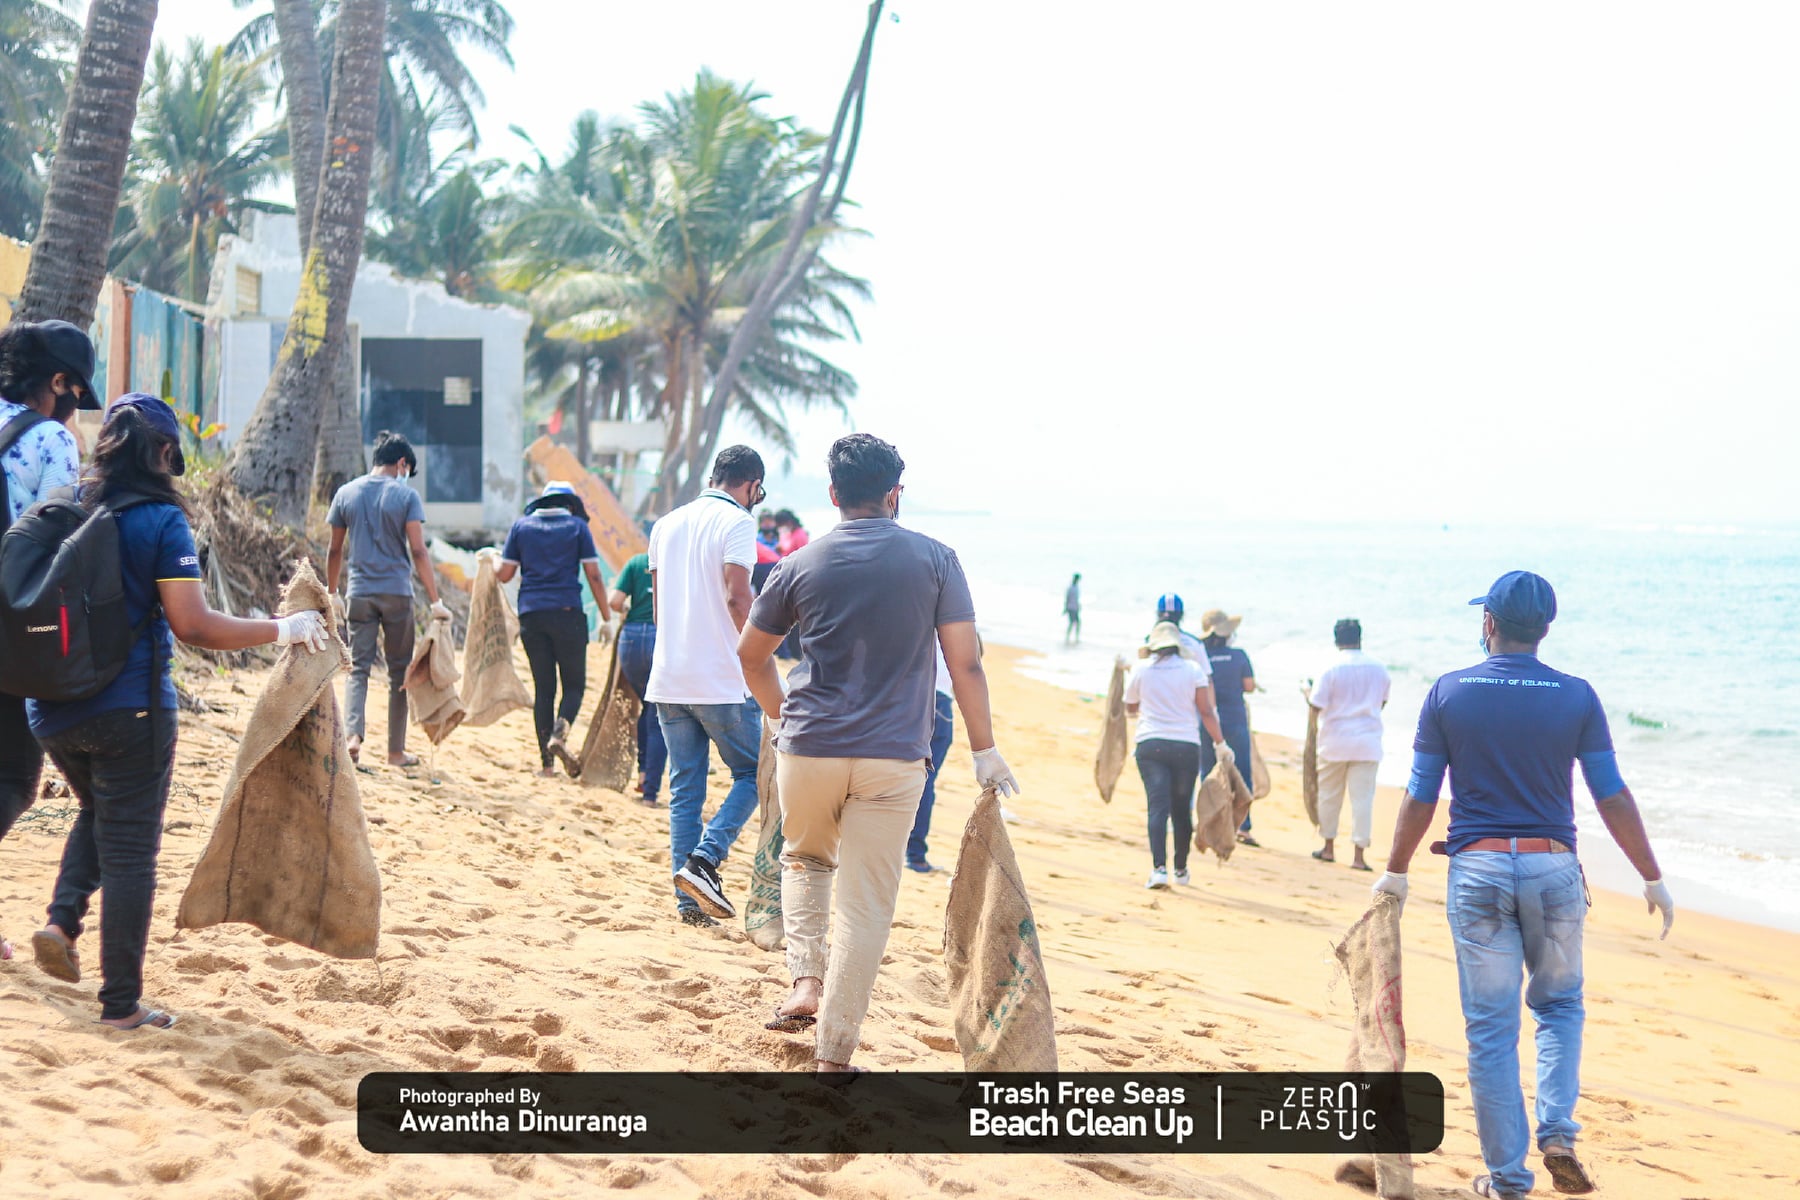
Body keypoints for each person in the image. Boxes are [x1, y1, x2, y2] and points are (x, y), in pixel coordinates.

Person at [29, 394, 329, 1028]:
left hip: (51, 709)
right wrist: (283, 629)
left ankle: (61, 920)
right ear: (164, 453)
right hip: (129, 712)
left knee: (98, 808)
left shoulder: (70, 504)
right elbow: (193, 625)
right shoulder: (162, 523)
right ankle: (121, 1007)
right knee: (132, 850)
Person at [1372, 571, 1674, 1200]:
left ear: (1489, 624)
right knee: (1560, 1007)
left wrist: (1396, 870)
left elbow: (1422, 794)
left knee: (1490, 1030)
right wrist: (1651, 874)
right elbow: (1610, 794)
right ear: (1546, 629)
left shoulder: (1449, 692)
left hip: (1478, 869)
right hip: (1554, 868)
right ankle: (1558, 1131)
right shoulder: (1577, 696)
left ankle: (1508, 1179)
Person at [739, 433, 1018, 1079]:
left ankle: (805, 980)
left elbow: (752, 658)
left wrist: (786, 721)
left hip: (808, 747)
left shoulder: (798, 565)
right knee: (866, 902)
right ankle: (834, 1055)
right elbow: (965, 661)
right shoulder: (937, 560)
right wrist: (985, 750)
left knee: (805, 860)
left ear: (834, 495)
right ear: (896, 493)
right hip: (895, 756)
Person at [0, 320, 98, 962]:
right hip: (9, 628)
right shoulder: (52, 442)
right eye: (74, 392)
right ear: (57, 382)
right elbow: (65, 549)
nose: (74, 407)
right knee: (13, 776)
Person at [646, 444, 766, 927]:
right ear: (752, 484)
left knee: (685, 790)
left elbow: (658, 607)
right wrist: (760, 653)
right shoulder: (738, 523)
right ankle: (705, 860)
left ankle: (689, 904)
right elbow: (739, 597)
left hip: (669, 675)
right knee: (756, 773)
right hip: (718, 677)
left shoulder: (665, 523)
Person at [325, 431, 450, 767]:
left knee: (358, 670)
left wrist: (332, 591)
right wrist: (436, 601)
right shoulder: (406, 497)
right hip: (397, 594)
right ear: (402, 463)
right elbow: (419, 551)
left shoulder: (346, 493)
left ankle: (353, 737)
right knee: (398, 673)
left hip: (360, 594)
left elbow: (335, 549)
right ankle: (395, 752)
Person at [496, 482, 607, 777]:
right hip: (567, 613)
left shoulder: (521, 527)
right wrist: (606, 616)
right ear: (570, 504)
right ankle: (560, 734)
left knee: (544, 689)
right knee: (573, 686)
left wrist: (490, 561)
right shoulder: (577, 528)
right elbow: (594, 575)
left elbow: (505, 575)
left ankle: (546, 765)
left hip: (532, 615)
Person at [1125, 621, 1232, 888]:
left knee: (1157, 807)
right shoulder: (1193, 669)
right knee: (1182, 810)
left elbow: (1130, 707)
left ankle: (1159, 870)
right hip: (1186, 746)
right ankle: (1182, 870)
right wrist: (1220, 743)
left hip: (1151, 745)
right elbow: (1206, 711)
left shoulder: (1141, 670)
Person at [1307, 618, 1390, 871]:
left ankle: (1329, 847)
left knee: (1330, 795)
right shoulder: (1379, 668)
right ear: (1360, 637)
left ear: (1336, 640)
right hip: (1367, 741)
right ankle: (1358, 856)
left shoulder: (1330, 667)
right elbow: (1381, 703)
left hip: (1334, 740)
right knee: (1362, 799)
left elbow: (1316, 705)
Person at [609, 547, 666, 805]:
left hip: (630, 640)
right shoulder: (677, 561)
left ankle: (643, 775)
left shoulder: (636, 562)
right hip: (661, 637)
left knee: (646, 706)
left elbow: (615, 602)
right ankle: (651, 791)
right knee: (658, 713)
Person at [1198, 609, 1259, 845]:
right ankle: (1242, 827)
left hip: (1207, 721)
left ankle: (1207, 821)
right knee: (1241, 771)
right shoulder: (1239, 656)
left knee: (1207, 771)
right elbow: (1249, 685)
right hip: (1235, 720)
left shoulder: (1201, 656)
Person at [904, 644, 956, 873]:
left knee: (886, 774)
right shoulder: (955, 617)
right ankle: (915, 857)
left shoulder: (908, 614)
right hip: (939, 701)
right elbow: (972, 662)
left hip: (905, 695)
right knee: (925, 782)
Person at [1063, 573, 1082, 644]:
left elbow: (1076, 599)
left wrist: (1078, 605)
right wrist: (1065, 608)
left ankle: (1075, 637)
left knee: (1077, 623)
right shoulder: (1071, 588)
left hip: (1075, 607)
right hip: (1071, 607)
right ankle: (1068, 637)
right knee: (1072, 623)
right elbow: (1067, 598)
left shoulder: (1076, 588)